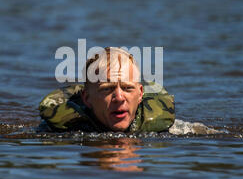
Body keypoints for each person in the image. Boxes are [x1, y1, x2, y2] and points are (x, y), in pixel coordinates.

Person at [38, 47, 175, 133]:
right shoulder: (61, 130)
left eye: (127, 88)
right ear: (87, 98)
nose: (119, 97)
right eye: (107, 89)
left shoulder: (165, 128)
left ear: (140, 94)